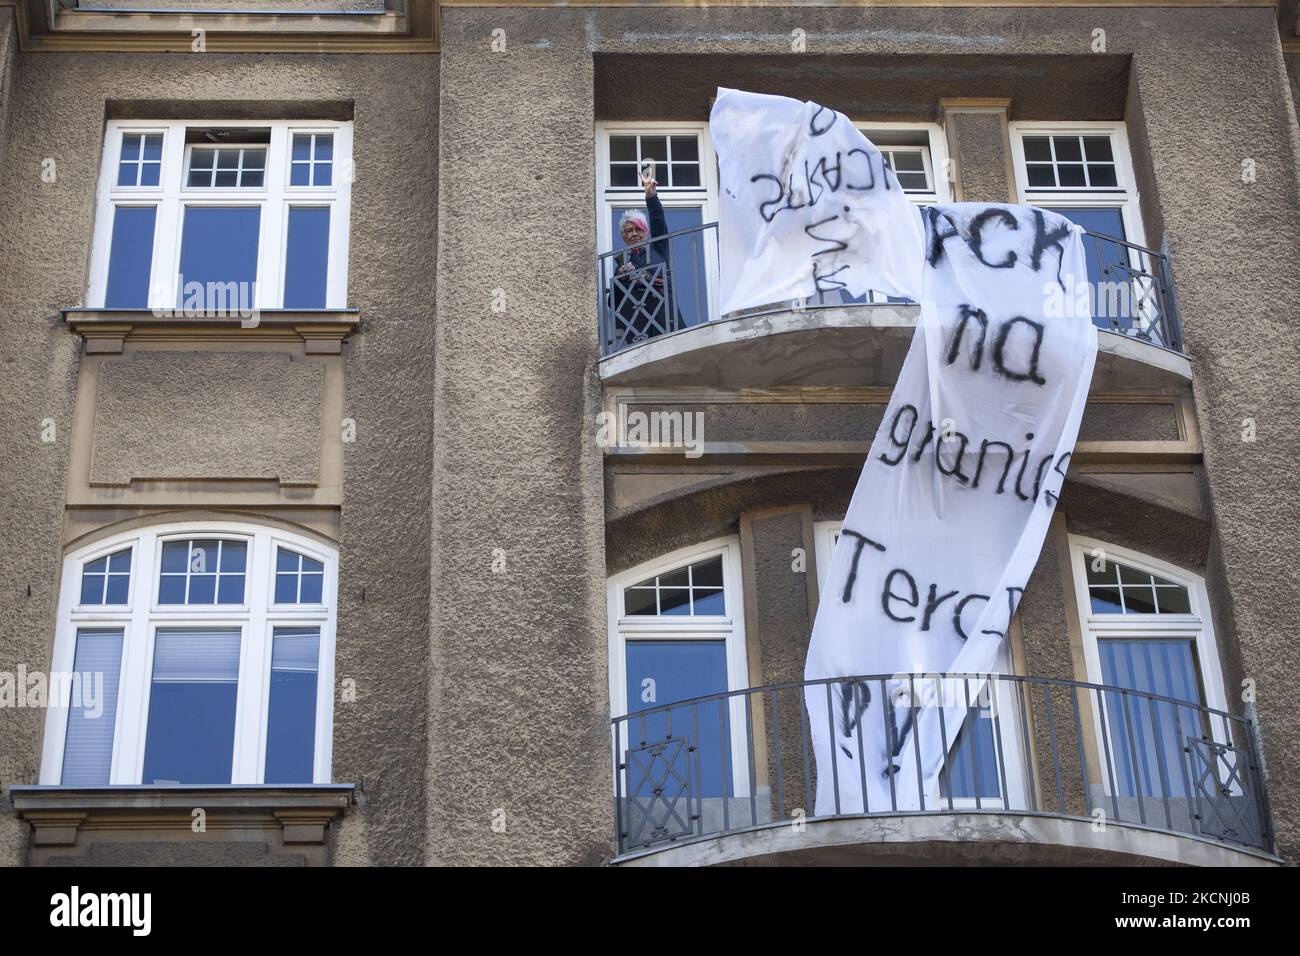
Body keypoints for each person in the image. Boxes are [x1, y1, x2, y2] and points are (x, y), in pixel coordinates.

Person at [609, 174, 679, 343]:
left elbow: (658, 221)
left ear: (646, 232)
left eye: (638, 229)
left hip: (665, 322)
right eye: (628, 231)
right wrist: (620, 276)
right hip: (638, 330)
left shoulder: (657, 247)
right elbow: (613, 303)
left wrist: (651, 197)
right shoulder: (623, 261)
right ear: (623, 236)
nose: (633, 234)